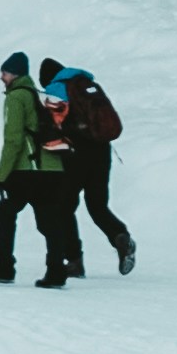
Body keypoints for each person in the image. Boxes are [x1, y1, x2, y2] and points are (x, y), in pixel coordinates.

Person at [0, 51, 81, 287]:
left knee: (5, 216)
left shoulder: (16, 98)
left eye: (4, 72)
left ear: (14, 74)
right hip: (52, 170)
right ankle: (56, 272)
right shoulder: (38, 97)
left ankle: (5, 268)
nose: (1, 77)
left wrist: (1, 175)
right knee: (50, 222)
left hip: (25, 170)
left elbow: (14, 140)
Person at [43, 60, 136, 274]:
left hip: (77, 154)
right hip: (102, 151)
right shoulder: (86, 83)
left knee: (64, 208)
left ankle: (74, 261)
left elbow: (53, 126)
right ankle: (120, 236)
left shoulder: (56, 89)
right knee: (97, 205)